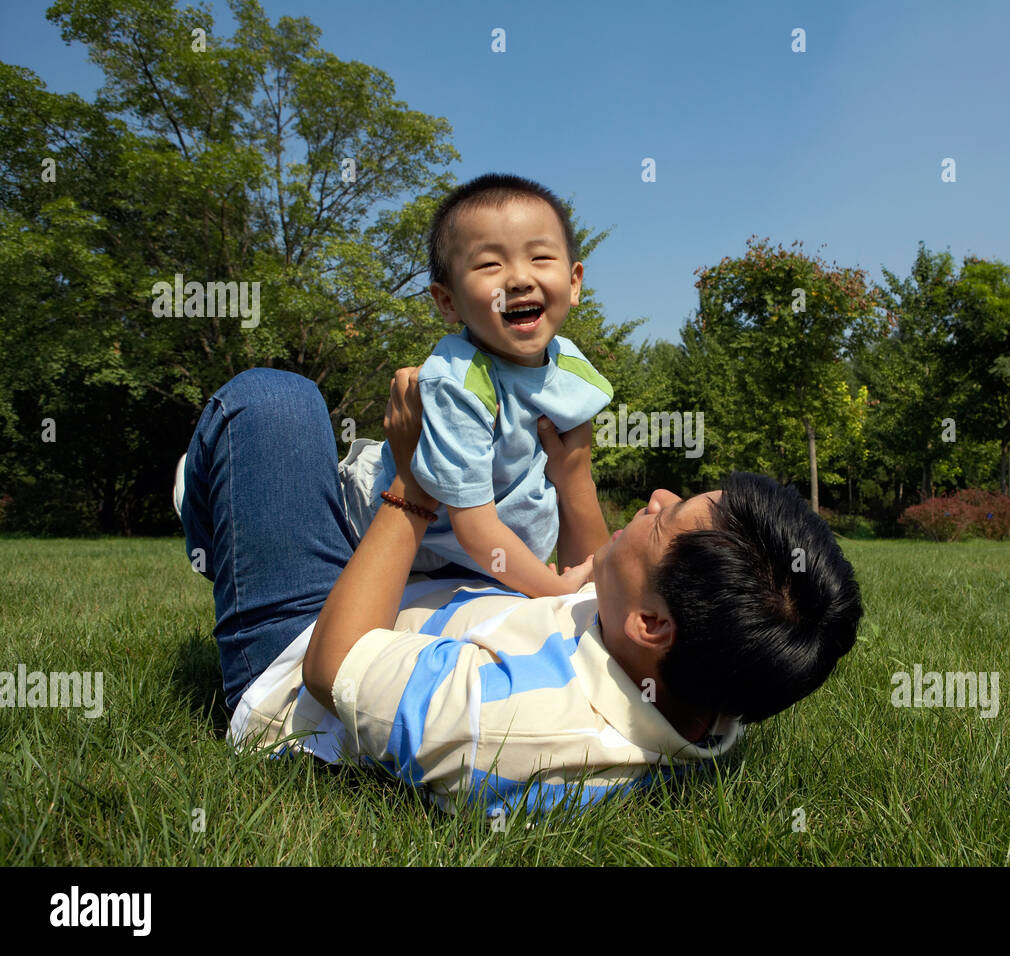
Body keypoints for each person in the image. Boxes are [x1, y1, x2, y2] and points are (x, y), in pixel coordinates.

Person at [177, 366, 863, 815]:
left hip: (309, 645)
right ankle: (315, 506)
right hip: (453, 592)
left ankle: (229, 529)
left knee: (271, 404)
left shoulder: (509, 727)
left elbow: (336, 670)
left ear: (653, 627)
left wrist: (417, 484)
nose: (657, 496)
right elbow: (599, 580)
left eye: (667, 520)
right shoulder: (707, 676)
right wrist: (572, 475)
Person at [338, 172, 613, 597]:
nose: (520, 278)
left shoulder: (572, 370)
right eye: (489, 264)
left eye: (540, 258)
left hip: (482, 557)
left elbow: (572, 494)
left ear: (574, 282)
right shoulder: (459, 380)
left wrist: (575, 585)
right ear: (448, 301)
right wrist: (555, 593)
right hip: (397, 528)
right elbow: (476, 528)